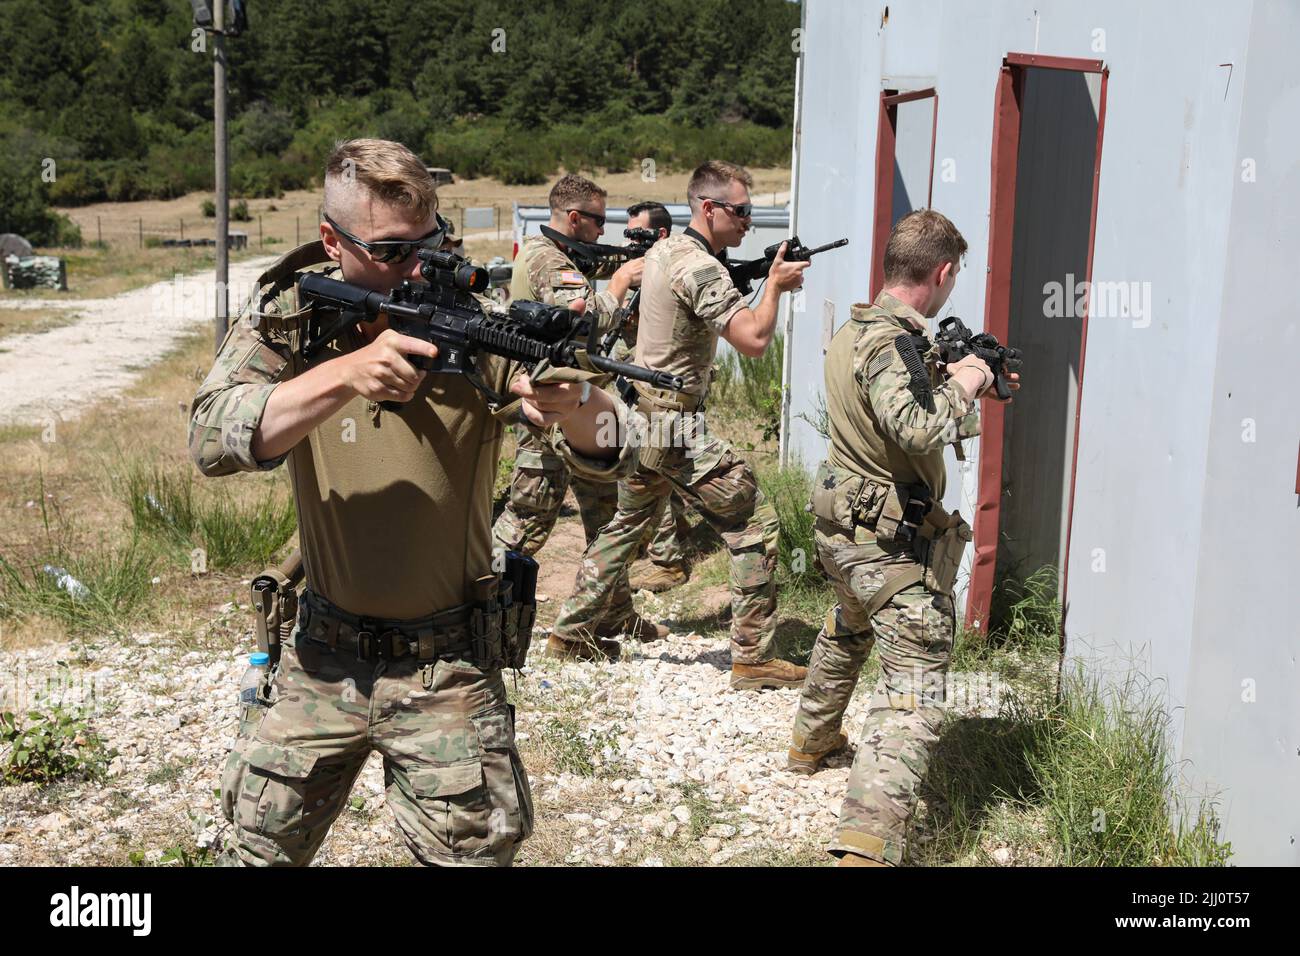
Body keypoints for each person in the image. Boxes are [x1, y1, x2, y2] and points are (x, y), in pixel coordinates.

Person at [190, 139, 634, 867]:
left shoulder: (479, 318)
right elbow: (211, 440)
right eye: (393, 252)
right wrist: (346, 375)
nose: (419, 268)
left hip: (448, 665)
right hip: (318, 657)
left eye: (430, 244)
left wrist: (578, 402)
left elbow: (617, 442)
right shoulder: (295, 317)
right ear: (333, 243)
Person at [785, 209, 1020, 867]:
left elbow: (894, 410)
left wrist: (966, 377)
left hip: (842, 531)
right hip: (885, 542)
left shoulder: (861, 329)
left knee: (849, 627)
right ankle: (863, 848)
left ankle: (811, 743)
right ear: (943, 272)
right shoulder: (892, 344)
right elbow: (916, 429)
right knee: (914, 692)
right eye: (956, 275)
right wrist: (971, 378)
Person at [548, 160, 808, 690]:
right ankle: (753, 657)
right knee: (754, 522)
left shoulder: (665, 251)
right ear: (709, 209)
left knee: (626, 525)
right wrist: (776, 287)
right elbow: (755, 342)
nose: (748, 222)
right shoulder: (700, 267)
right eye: (741, 211)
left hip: (646, 417)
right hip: (673, 425)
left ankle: (571, 633)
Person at [490, 174, 665, 645]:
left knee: (606, 515)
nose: (602, 231)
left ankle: (614, 614)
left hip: (569, 405)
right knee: (526, 519)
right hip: (550, 408)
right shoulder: (550, 260)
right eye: (597, 220)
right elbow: (580, 320)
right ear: (574, 218)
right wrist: (622, 283)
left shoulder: (546, 251)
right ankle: (470, 602)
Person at [621, 200, 696, 595]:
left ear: (661, 235)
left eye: (640, 235)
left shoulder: (669, 271)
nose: (631, 242)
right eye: (628, 233)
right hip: (645, 389)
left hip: (666, 393)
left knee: (653, 469)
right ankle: (663, 544)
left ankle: (668, 561)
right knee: (662, 471)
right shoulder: (644, 269)